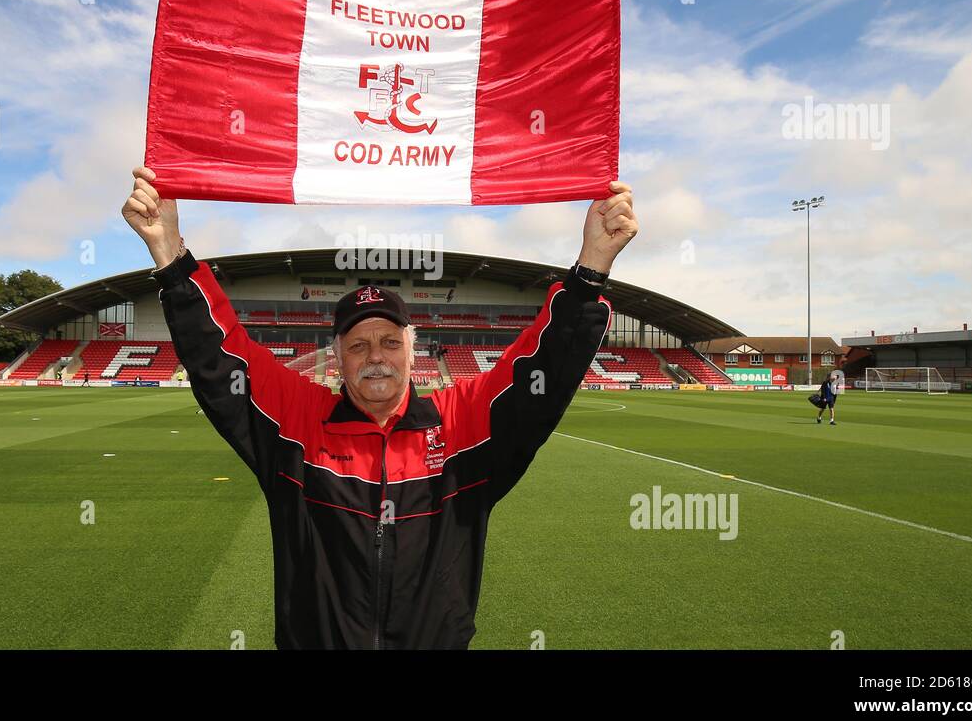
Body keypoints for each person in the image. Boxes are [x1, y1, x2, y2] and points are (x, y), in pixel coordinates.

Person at [122, 165, 638, 649]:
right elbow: (221, 359)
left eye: (390, 342)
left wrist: (591, 269)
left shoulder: (463, 423)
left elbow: (539, 372)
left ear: (414, 351)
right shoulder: (297, 422)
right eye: (358, 345)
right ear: (338, 357)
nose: (376, 358)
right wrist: (170, 253)